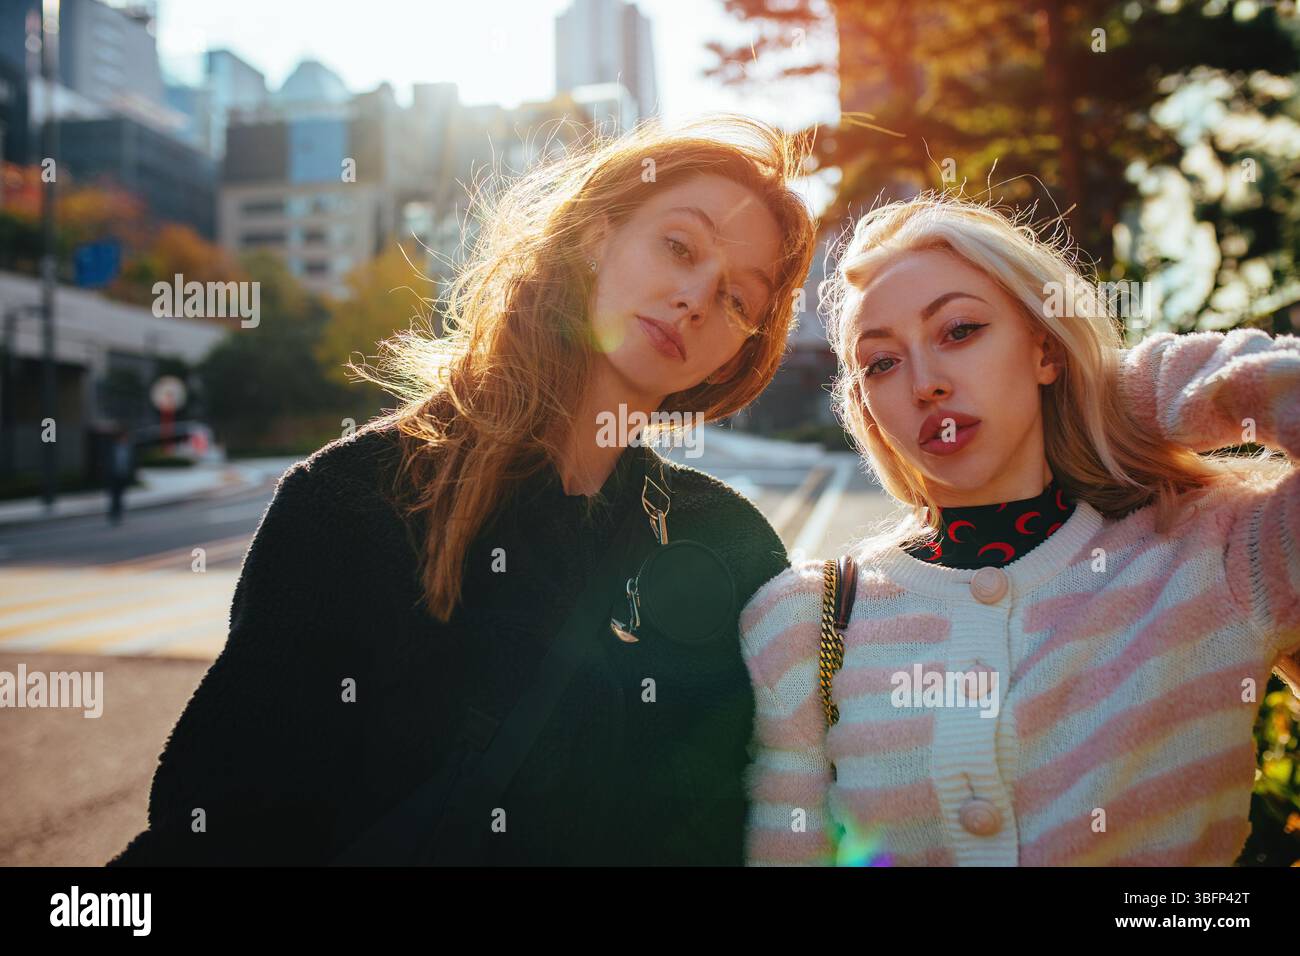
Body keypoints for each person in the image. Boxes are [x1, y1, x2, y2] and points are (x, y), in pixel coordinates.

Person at [106, 113, 818, 866]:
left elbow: (790, 809)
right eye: (679, 246)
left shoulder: (730, 546)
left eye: (740, 298)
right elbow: (215, 832)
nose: (697, 298)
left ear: (737, 353)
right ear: (594, 236)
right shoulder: (358, 501)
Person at [739, 193, 1300, 866]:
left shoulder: (1220, 555)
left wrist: (1131, 389)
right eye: (882, 363)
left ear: (1044, 349)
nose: (926, 384)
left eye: (960, 331)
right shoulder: (802, 623)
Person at [106, 426, 133, 525]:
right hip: (114, 475)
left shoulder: (128, 448)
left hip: (123, 475)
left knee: (120, 496)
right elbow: (108, 462)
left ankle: (118, 513)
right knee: (114, 496)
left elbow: (131, 462)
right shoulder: (112, 448)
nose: (124, 439)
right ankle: (114, 513)